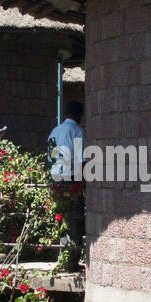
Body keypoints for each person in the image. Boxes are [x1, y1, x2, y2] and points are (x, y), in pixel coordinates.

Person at [47, 101, 85, 269]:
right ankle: (72, 261)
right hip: (71, 180)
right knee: (74, 219)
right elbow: (82, 161)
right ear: (80, 116)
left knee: (61, 218)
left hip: (55, 180)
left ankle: (63, 256)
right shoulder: (77, 131)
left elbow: (49, 158)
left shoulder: (55, 131)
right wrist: (82, 182)